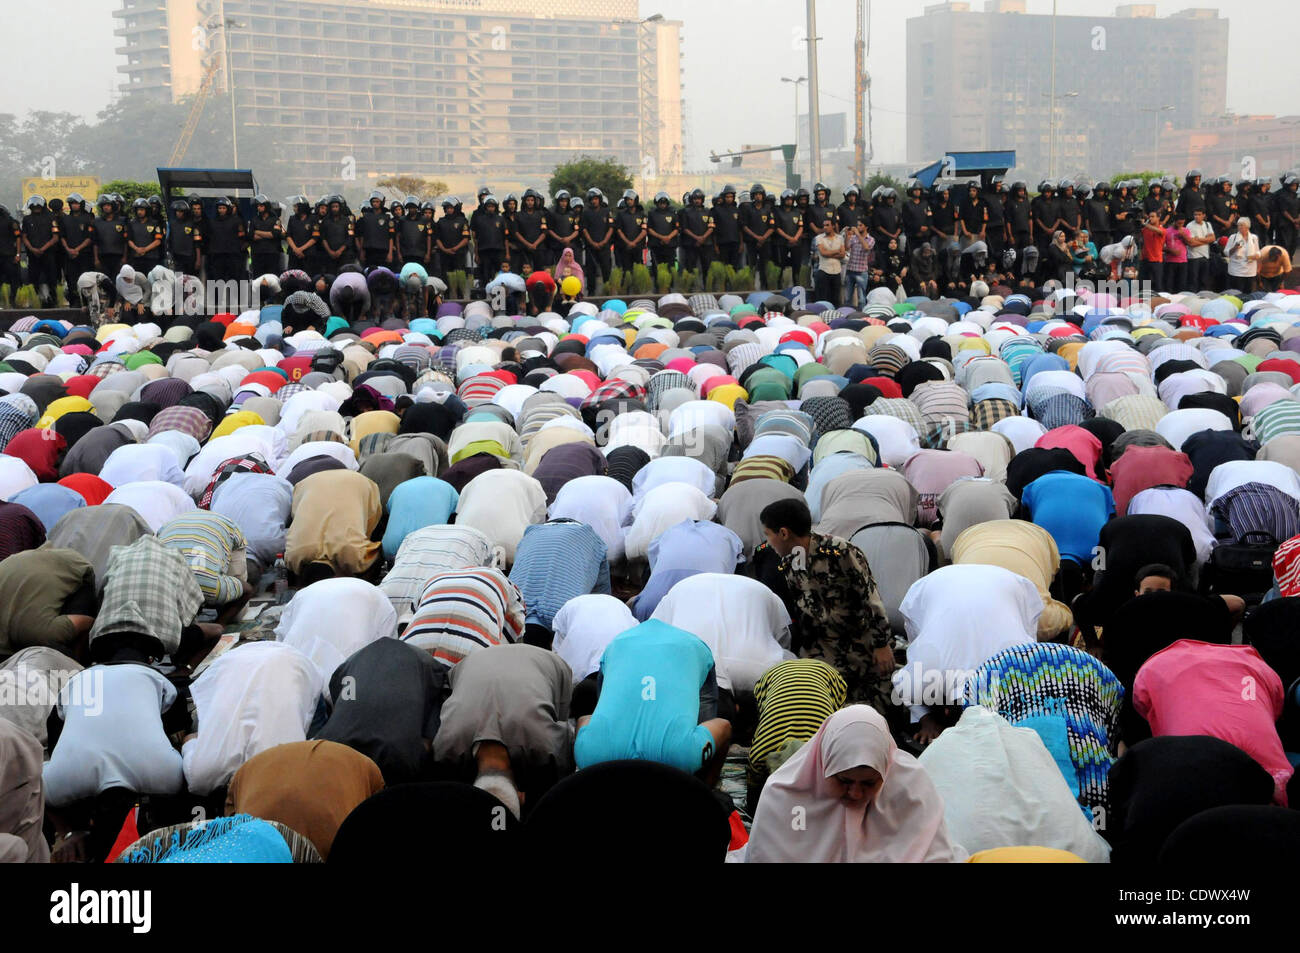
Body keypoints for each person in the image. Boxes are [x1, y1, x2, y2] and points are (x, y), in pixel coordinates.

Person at [746, 706, 964, 863]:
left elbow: (935, 854)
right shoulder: (785, 795)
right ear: (824, 766)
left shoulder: (910, 787)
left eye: (869, 783)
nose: (856, 793)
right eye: (844, 780)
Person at [758, 498, 895, 716]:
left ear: (783, 533)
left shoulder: (839, 551)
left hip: (861, 646)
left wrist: (882, 644)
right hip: (822, 651)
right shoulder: (789, 563)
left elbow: (869, 597)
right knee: (826, 713)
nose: (767, 542)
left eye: (768, 535)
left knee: (877, 711)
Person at [574, 619, 732, 785]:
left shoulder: (591, 756)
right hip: (684, 647)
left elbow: (723, 727)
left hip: (629, 645)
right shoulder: (589, 755)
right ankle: (705, 789)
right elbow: (725, 726)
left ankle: (705, 789)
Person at [812, 218, 846, 306]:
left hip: (837, 271)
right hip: (824, 270)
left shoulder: (840, 238)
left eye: (827, 225)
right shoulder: (819, 238)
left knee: (835, 298)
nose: (825, 227)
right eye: (824, 225)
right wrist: (836, 251)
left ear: (833, 226)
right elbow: (823, 253)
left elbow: (842, 255)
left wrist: (829, 253)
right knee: (823, 298)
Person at [1225, 216, 1262, 292]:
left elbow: (1258, 252)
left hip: (1250, 271)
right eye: (1238, 225)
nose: (1239, 227)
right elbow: (1226, 252)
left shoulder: (1254, 238)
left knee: (1248, 293)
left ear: (1247, 227)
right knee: (1237, 293)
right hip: (1236, 271)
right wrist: (1234, 248)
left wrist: (1256, 255)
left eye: (1242, 225)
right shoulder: (1233, 237)